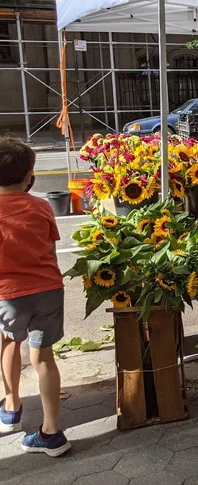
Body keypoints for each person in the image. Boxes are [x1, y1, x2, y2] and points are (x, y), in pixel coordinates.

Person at [0, 139, 70, 456]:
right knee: (44, 358)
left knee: (9, 342)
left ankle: (12, 407)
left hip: (9, 295)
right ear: (30, 176)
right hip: (49, 290)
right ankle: (52, 432)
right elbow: (50, 252)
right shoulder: (41, 206)